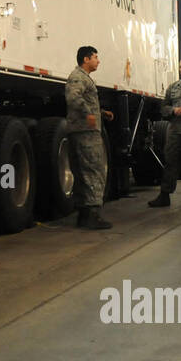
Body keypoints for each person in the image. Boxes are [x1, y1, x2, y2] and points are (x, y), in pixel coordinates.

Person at [65, 45, 115, 230]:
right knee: (94, 170)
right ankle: (92, 213)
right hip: (86, 133)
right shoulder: (78, 76)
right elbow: (73, 98)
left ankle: (84, 215)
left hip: (83, 130)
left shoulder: (82, 78)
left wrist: (100, 113)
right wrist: (89, 114)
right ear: (86, 59)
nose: (98, 60)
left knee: (83, 171)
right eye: (95, 57)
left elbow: (80, 99)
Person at [147, 58, 181, 208]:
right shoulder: (173, 88)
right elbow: (164, 108)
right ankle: (165, 195)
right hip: (175, 132)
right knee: (170, 163)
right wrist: (174, 111)